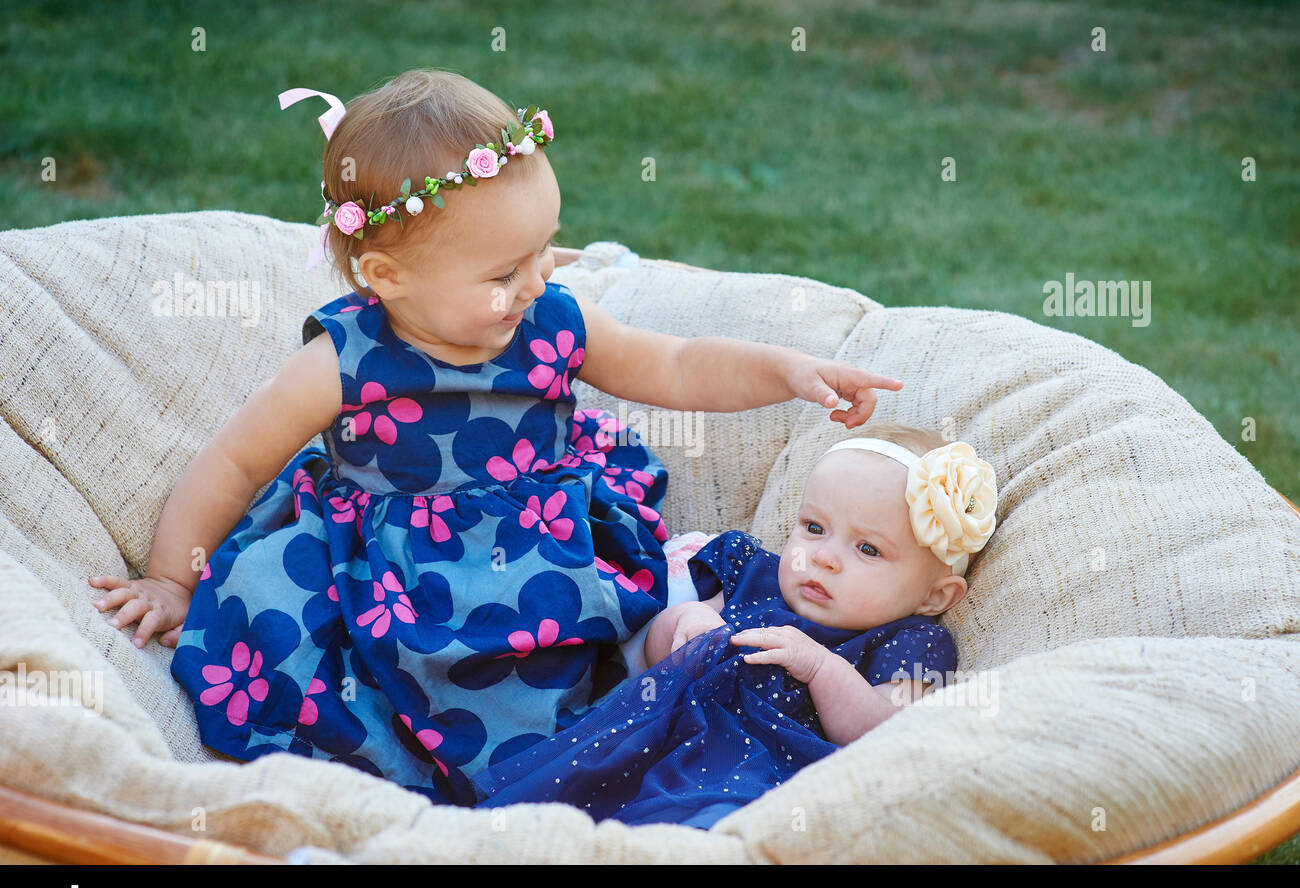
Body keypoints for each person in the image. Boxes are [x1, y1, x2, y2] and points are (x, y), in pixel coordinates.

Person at [85, 68, 904, 806]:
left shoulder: (553, 320)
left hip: (541, 555)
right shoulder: (344, 358)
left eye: (543, 248)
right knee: (318, 670)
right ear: (388, 277)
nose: (538, 280)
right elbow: (234, 460)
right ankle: (413, 775)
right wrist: (170, 579)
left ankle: (577, 744)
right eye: (504, 273)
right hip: (391, 576)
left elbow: (681, 365)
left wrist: (787, 370)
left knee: (590, 655)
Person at [470, 424, 998, 827]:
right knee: (544, 808)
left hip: (758, 773)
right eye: (814, 527)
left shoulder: (909, 639)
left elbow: (885, 734)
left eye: (867, 549)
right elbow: (651, 654)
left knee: (696, 825)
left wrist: (820, 668)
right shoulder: (753, 575)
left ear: (935, 596)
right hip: (647, 736)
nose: (824, 558)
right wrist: (685, 621)